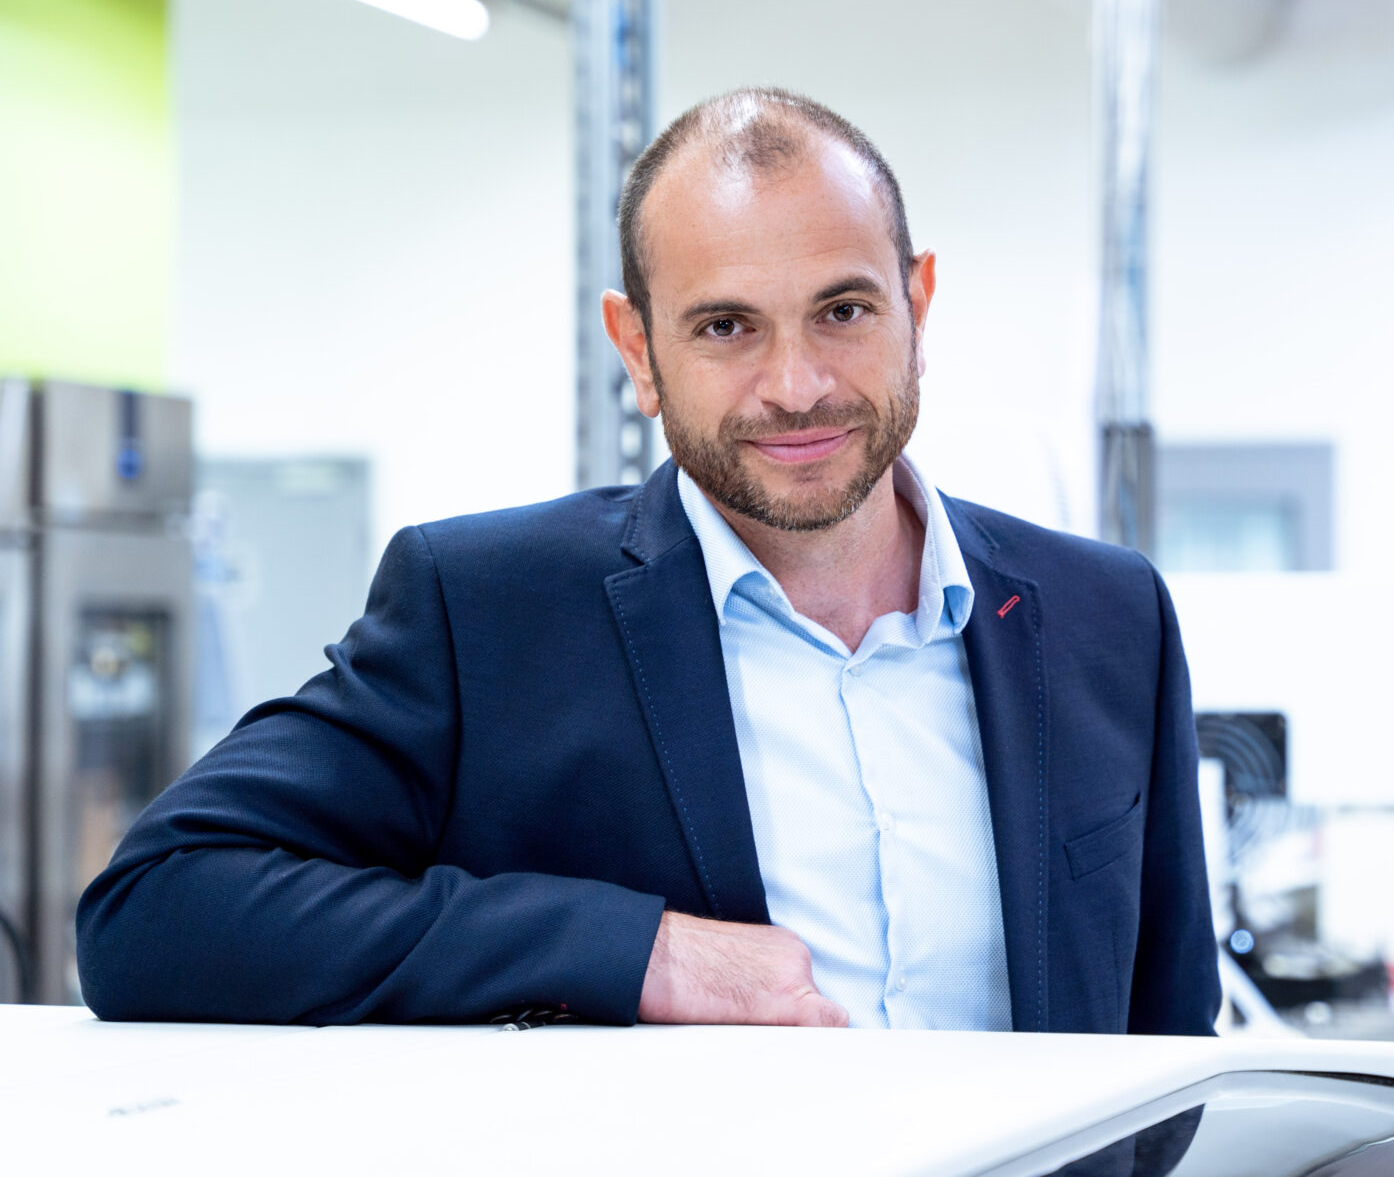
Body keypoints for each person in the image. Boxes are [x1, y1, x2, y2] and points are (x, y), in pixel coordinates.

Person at [77, 87, 1220, 1035]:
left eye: (843, 311)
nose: (795, 385)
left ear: (916, 305)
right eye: (726, 327)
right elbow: (155, 910)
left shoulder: (1103, 617)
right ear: (638, 348)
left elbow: (1167, 1036)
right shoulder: (489, 615)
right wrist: (639, 956)